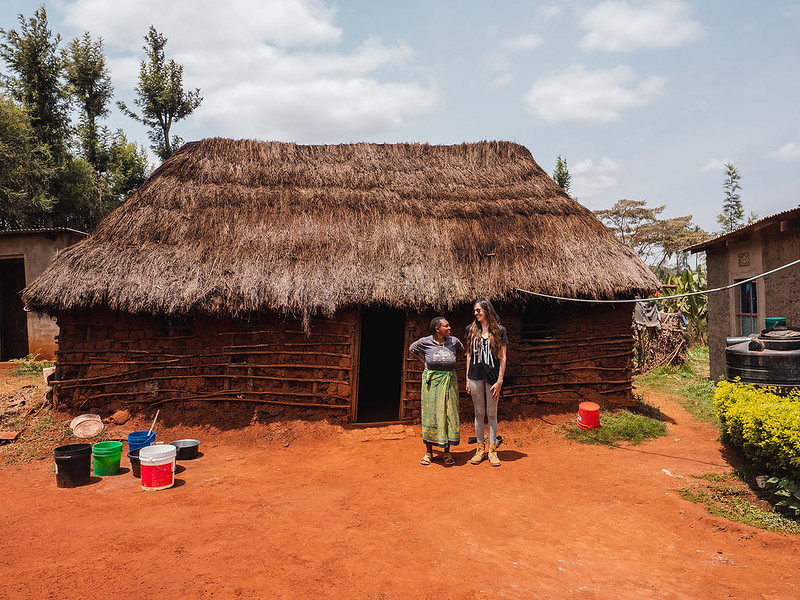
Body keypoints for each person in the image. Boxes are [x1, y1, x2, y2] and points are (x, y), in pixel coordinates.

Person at [409, 317, 464, 466]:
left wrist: (448, 361)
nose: (449, 328)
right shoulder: (425, 342)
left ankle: (447, 452)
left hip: (449, 381)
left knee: (448, 414)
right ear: (437, 329)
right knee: (431, 415)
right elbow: (412, 349)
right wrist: (425, 363)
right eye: (446, 326)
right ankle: (429, 452)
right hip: (431, 382)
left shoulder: (454, 342)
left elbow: (460, 351)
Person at [465, 299, 508, 467]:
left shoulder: (499, 331)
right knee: (478, 413)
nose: (476, 313)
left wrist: (500, 380)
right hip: (475, 376)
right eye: (475, 311)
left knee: (491, 413)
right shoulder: (470, 330)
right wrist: (467, 377)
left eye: (479, 310)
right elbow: (468, 354)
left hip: (492, 378)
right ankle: (479, 448)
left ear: (487, 310)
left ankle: (492, 450)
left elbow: (503, 358)